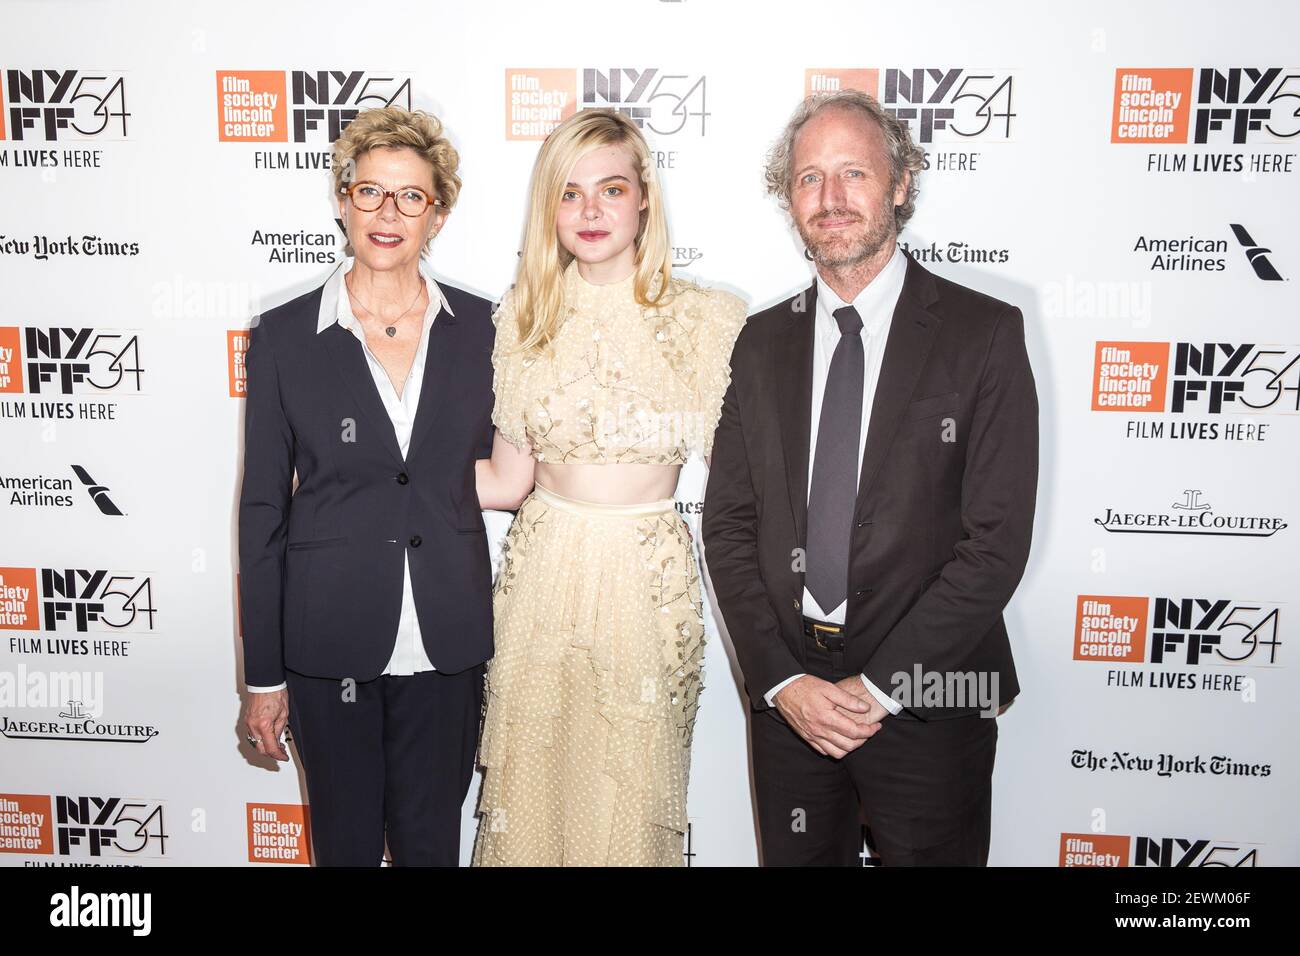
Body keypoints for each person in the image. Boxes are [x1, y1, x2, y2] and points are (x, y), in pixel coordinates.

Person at [702, 90, 1038, 866]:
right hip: (792, 710)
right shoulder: (757, 343)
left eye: (854, 172)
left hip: (928, 698)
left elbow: (995, 544)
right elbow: (727, 526)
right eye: (810, 178)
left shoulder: (982, 333)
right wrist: (781, 681)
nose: (831, 198)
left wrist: (879, 688)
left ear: (900, 184)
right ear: (788, 200)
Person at [471, 107, 746, 866]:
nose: (590, 211)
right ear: (547, 206)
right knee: (532, 801)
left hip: (646, 582)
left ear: (644, 198)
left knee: (632, 797)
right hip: (542, 578)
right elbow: (505, 478)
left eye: (611, 188)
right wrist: (364, 484)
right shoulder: (523, 316)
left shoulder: (709, 318)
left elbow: (742, 485)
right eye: (569, 193)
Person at [238, 106, 495, 866]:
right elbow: (261, 512)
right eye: (370, 192)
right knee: (344, 852)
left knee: (430, 851)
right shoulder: (284, 336)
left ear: (438, 213)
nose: (388, 213)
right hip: (329, 644)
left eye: (411, 196)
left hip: (446, 646)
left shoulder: (486, 329)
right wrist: (263, 677)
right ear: (342, 199)